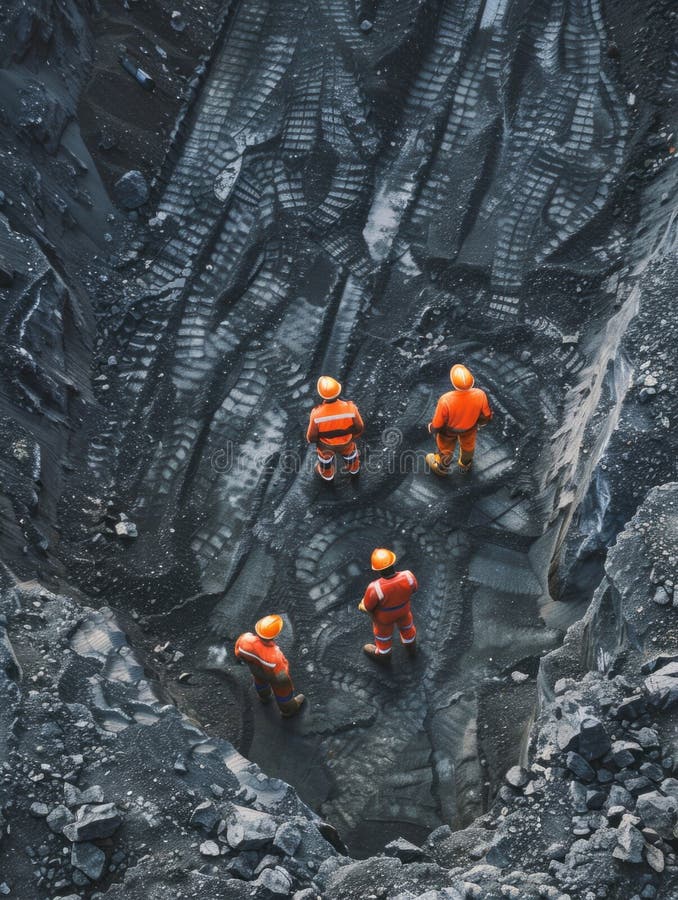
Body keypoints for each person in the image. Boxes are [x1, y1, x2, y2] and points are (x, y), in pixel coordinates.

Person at [426, 363, 492, 476]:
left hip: (449, 431)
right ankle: (464, 465)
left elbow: (437, 424)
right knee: (468, 447)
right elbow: (486, 415)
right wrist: (482, 422)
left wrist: (432, 428)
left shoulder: (446, 399)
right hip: (470, 428)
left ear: (453, 382)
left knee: (445, 448)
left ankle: (442, 468)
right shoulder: (480, 394)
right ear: (472, 381)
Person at [234, 615, 305, 717]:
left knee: (260, 681)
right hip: (274, 676)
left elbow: (238, 654)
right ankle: (288, 710)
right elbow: (281, 677)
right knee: (282, 693)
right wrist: (287, 687)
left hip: (256, 669)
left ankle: (264, 697)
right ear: (274, 636)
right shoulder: (275, 655)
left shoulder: (244, 639)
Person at [358, 548, 418, 662]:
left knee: (383, 637)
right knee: (408, 629)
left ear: (378, 570)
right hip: (404, 611)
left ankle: (383, 655)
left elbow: (368, 607)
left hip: (384, 619)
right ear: (393, 562)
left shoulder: (374, 587)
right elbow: (414, 589)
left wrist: (362, 606)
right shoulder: (408, 576)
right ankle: (411, 646)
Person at [306, 376, 364, 482]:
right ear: (338, 392)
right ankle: (354, 469)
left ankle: (327, 475)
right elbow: (359, 427)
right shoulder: (351, 408)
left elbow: (311, 436)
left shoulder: (316, 414)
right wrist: (351, 437)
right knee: (351, 456)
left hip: (326, 446)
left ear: (321, 395)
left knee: (325, 461)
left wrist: (315, 442)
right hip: (346, 442)